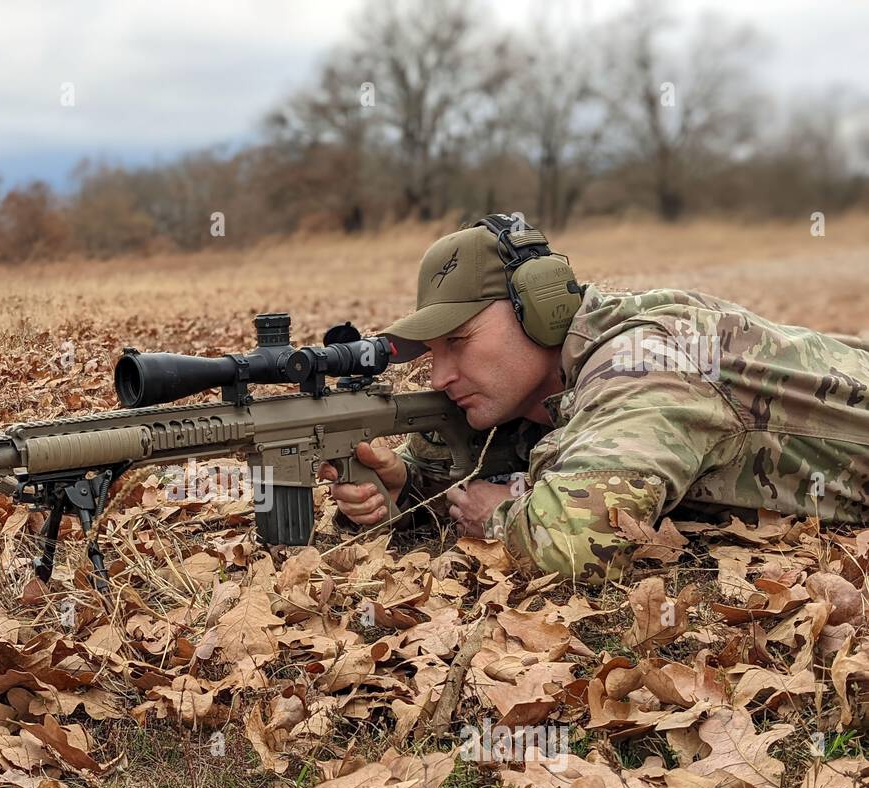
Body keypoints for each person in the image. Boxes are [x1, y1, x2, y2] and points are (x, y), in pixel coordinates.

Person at [322, 214, 869, 584]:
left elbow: (581, 541)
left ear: (538, 312)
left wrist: (501, 519)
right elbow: (489, 471)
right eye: (432, 351)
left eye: (459, 343)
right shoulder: (546, 383)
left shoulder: (639, 361)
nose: (440, 375)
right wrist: (404, 487)